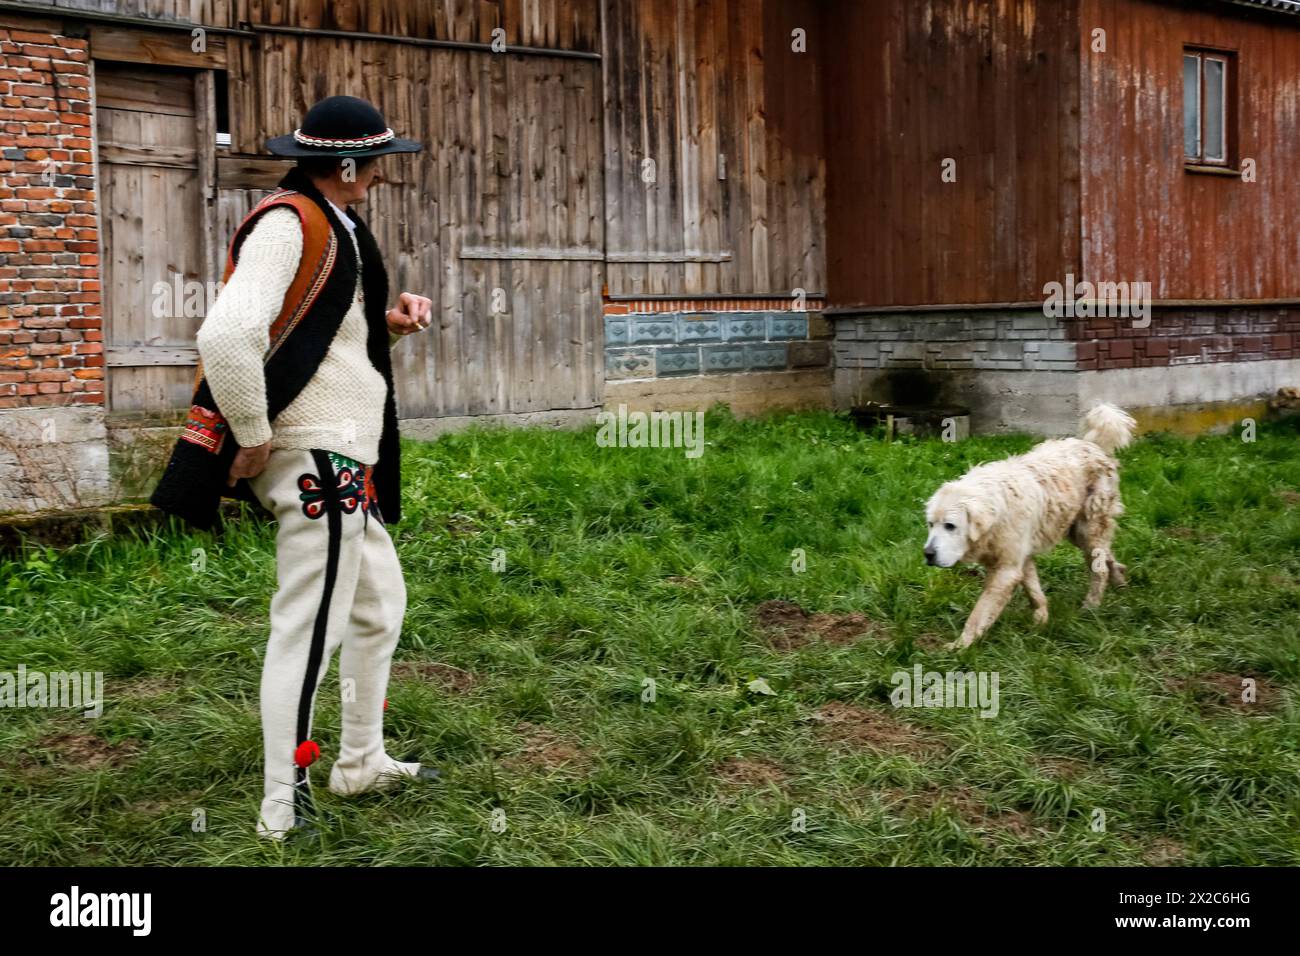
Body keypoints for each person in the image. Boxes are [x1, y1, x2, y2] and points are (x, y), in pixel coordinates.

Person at [151, 95, 435, 838]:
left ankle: (361, 761)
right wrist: (249, 430)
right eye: (374, 161)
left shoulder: (332, 223)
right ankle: (284, 805)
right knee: (308, 629)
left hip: (344, 456)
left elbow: (320, 348)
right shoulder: (288, 221)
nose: (377, 174)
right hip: (319, 458)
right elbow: (229, 333)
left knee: (378, 608)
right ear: (347, 163)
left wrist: (388, 329)